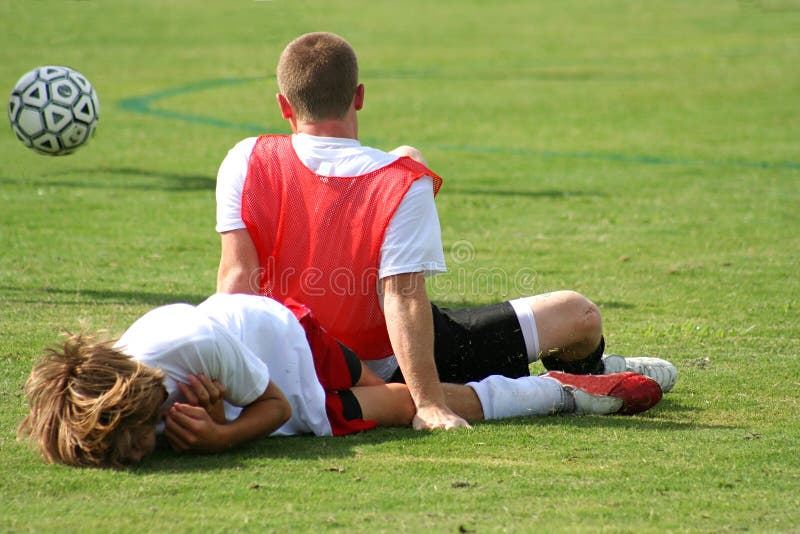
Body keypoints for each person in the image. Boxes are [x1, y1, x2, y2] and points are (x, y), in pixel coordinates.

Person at [215, 32, 676, 431]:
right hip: (389, 360)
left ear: (283, 106)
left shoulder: (245, 159)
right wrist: (429, 401)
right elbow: (402, 296)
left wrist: (230, 376)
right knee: (580, 314)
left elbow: (236, 280)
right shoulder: (400, 179)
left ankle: (589, 379)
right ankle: (586, 378)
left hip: (292, 361)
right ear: (358, 96)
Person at [17, 293, 662, 468]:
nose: (141, 452)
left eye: (134, 442)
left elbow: (269, 404)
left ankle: (565, 392)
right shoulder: (119, 394)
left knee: (413, 400)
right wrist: (216, 417)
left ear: (134, 395)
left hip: (291, 358)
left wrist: (225, 436)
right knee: (406, 387)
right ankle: (580, 384)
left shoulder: (189, 342)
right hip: (270, 327)